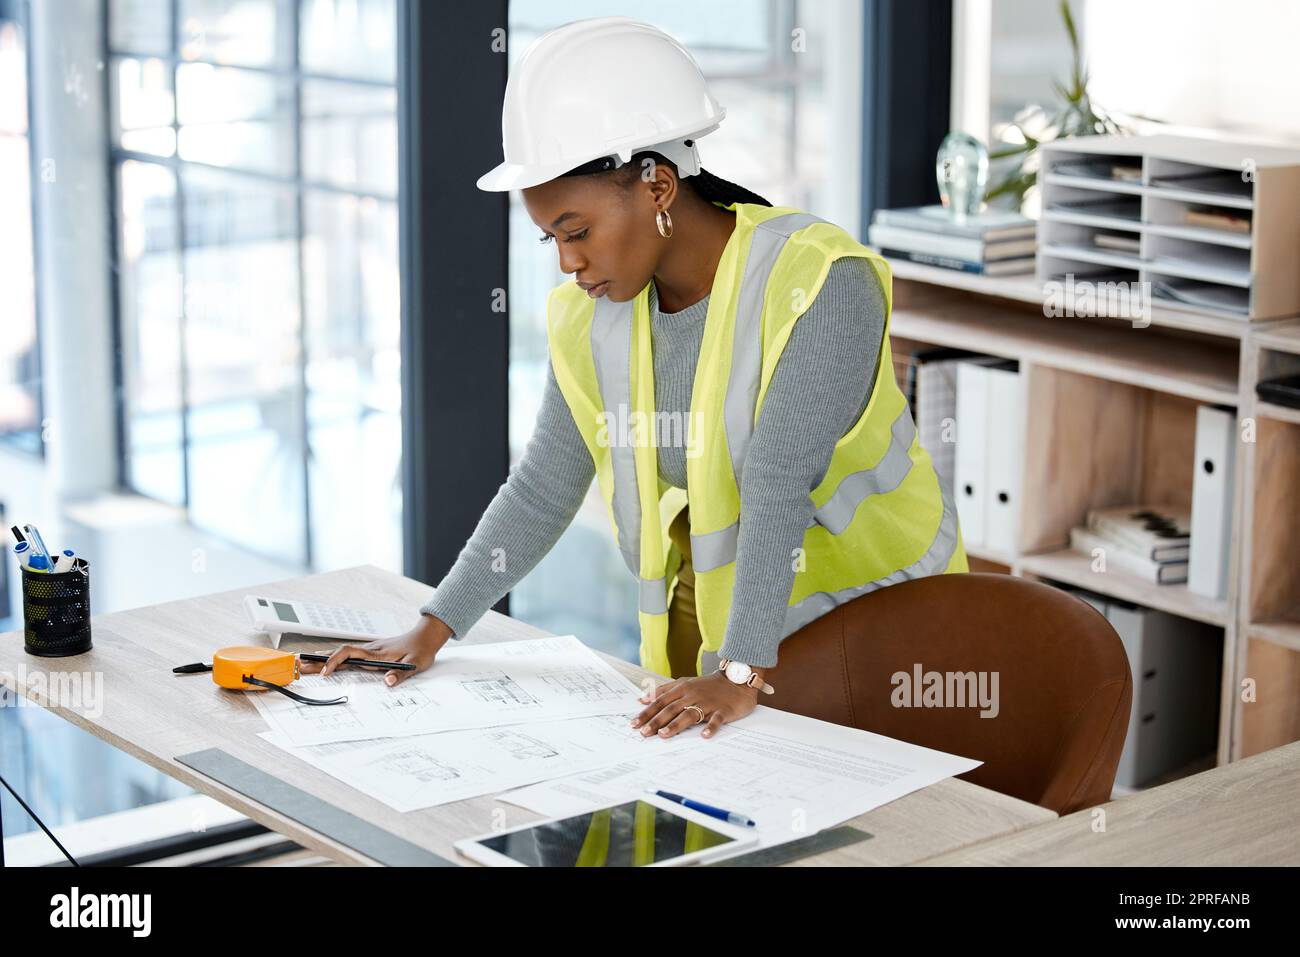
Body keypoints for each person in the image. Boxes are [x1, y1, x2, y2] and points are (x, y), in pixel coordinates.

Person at [303, 16, 967, 743]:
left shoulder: (819, 283)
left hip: (886, 636)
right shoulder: (598, 319)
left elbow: (777, 478)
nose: (566, 262)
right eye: (551, 238)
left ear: (656, 186)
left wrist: (742, 671)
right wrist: (433, 628)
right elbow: (545, 483)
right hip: (744, 658)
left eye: (577, 230)